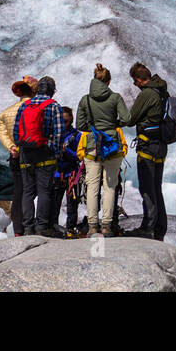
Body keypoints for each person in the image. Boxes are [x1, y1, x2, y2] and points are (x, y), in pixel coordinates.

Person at [76, 64, 130, 236]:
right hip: (112, 146)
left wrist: (94, 127)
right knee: (110, 187)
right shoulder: (115, 98)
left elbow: (80, 125)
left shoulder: (85, 100)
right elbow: (127, 118)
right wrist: (112, 126)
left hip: (92, 146)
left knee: (92, 187)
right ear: (108, 81)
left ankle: (92, 226)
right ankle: (106, 225)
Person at [124, 63, 169, 241]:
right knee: (156, 188)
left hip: (147, 147)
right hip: (160, 146)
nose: (135, 86)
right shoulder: (161, 91)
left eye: (135, 82)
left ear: (140, 79)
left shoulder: (148, 93)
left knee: (147, 189)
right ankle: (160, 229)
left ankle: (148, 228)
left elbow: (130, 118)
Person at [17, 76, 67, 237]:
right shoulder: (54, 106)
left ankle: (27, 227)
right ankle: (41, 226)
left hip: (26, 153)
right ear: (52, 91)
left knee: (28, 192)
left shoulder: (24, 105)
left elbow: (16, 132)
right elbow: (59, 134)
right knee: (44, 190)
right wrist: (57, 153)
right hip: (45, 152)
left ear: (37, 90)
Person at [0, 76, 35, 236]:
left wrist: (12, 147)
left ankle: (18, 230)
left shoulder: (6, 113)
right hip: (35, 154)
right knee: (38, 191)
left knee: (19, 192)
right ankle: (35, 226)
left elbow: (2, 133)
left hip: (15, 156)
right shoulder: (37, 108)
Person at [50, 107, 84, 238]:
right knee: (55, 203)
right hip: (56, 173)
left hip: (72, 174)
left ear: (71, 120)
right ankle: (53, 226)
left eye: (66, 119)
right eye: (61, 120)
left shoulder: (76, 135)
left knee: (72, 204)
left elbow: (79, 157)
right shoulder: (52, 135)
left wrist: (65, 151)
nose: (64, 122)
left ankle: (71, 227)